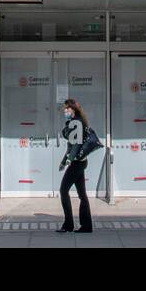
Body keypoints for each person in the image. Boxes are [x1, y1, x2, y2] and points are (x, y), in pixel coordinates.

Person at [56, 96, 95, 233]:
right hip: (80, 162)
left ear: (72, 109)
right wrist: (63, 161)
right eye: (64, 109)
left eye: (67, 109)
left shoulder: (76, 123)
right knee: (82, 195)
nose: (65, 111)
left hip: (76, 164)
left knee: (63, 190)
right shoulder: (75, 122)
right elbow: (71, 145)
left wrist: (68, 160)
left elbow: (76, 145)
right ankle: (86, 226)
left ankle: (68, 224)